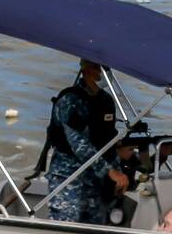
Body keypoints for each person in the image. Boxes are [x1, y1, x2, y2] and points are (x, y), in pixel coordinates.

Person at [45, 59, 128, 224]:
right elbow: (78, 143)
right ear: (87, 71)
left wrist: (117, 171)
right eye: (100, 69)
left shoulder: (106, 101)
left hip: (95, 179)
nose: (105, 73)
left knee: (96, 226)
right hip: (68, 176)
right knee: (66, 224)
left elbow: (109, 140)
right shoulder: (69, 100)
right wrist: (109, 171)